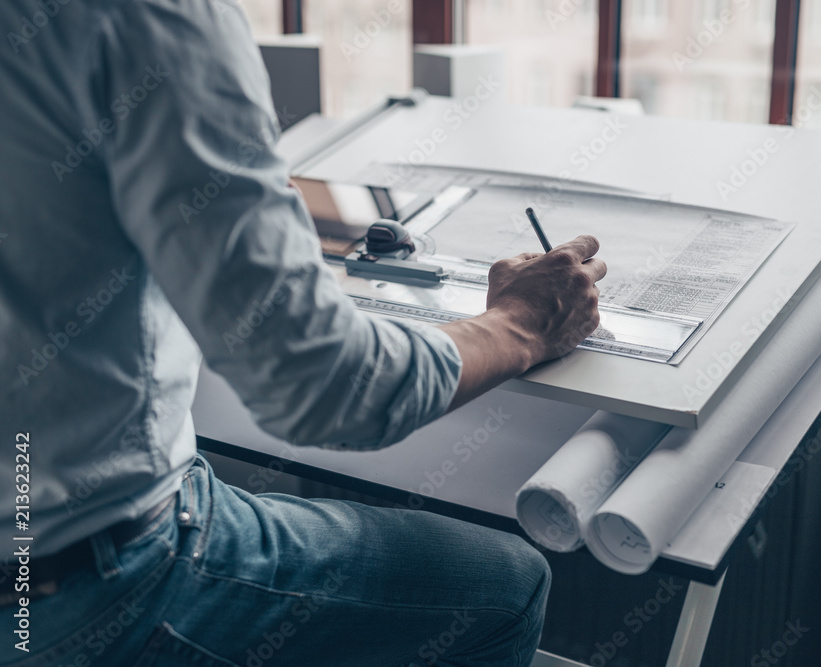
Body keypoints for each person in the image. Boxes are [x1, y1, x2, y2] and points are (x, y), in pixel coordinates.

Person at [0, 0, 606, 665]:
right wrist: (522, 323)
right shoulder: (150, 17)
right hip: (76, 584)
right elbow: (324, 388)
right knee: (507, 587)